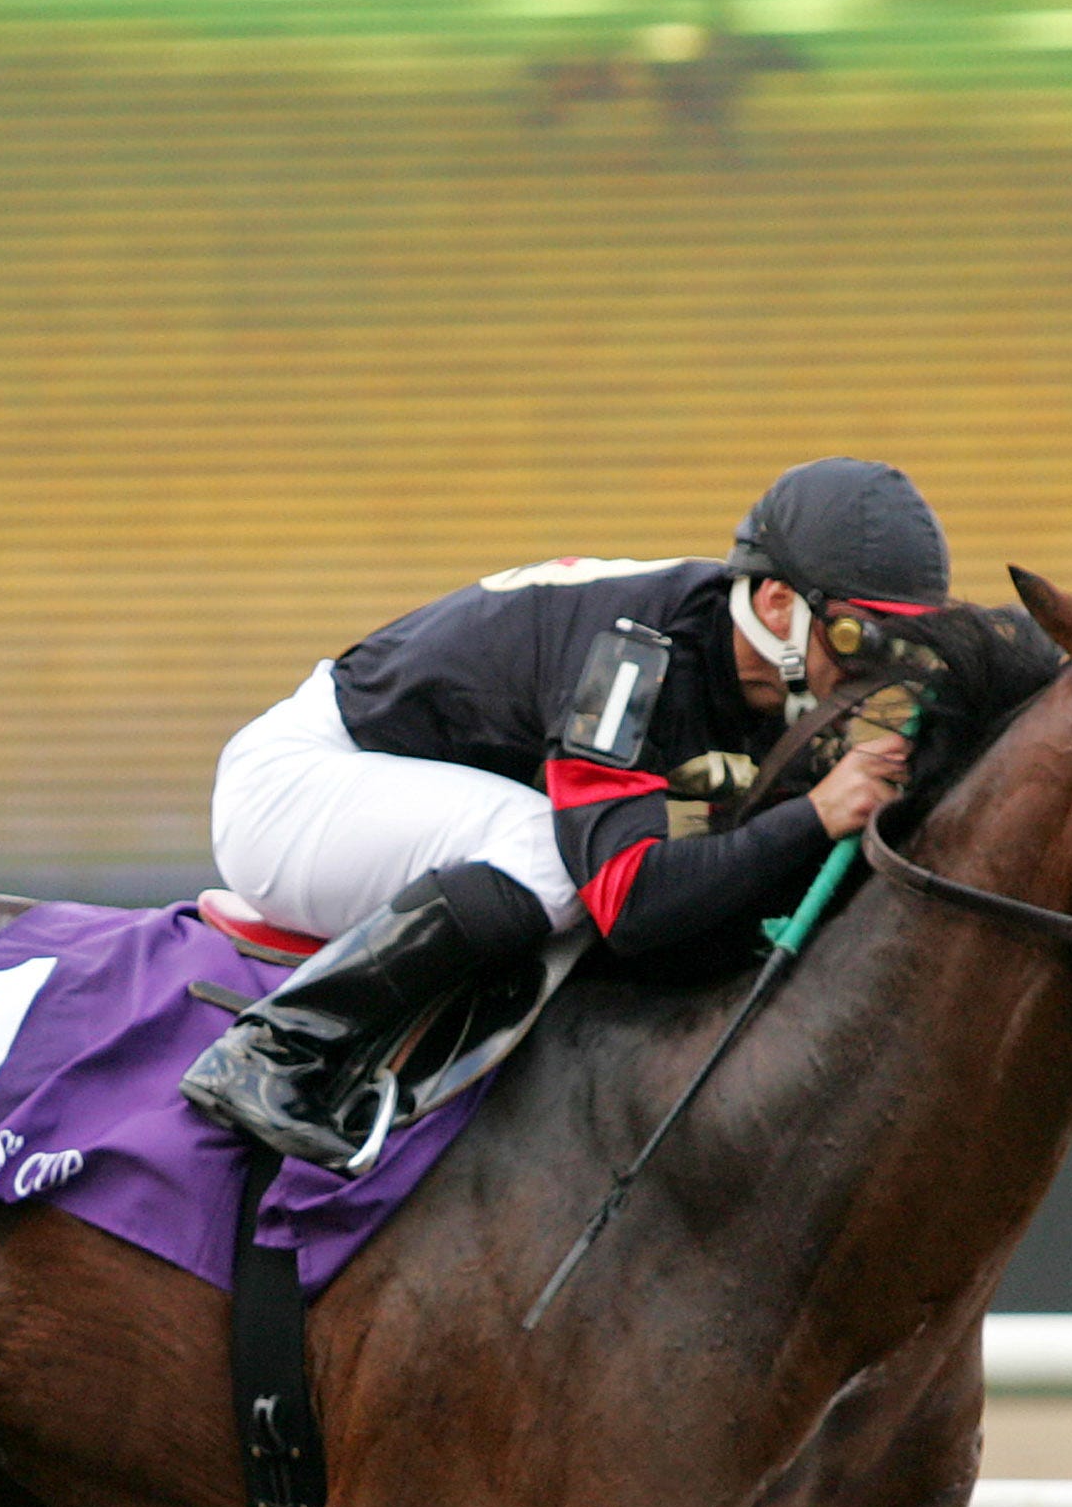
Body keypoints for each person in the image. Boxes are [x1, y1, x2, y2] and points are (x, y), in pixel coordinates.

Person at [181, 456, 951, 1168]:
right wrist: (816, 812)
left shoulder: (745, 662)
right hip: (296, 788)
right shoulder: (635, 655)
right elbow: (632, 901)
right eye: (860, 636)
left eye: (901, 645)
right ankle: (275, 1047)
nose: (874, 670)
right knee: (553, 858)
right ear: (777, 602)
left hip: (387, 790)